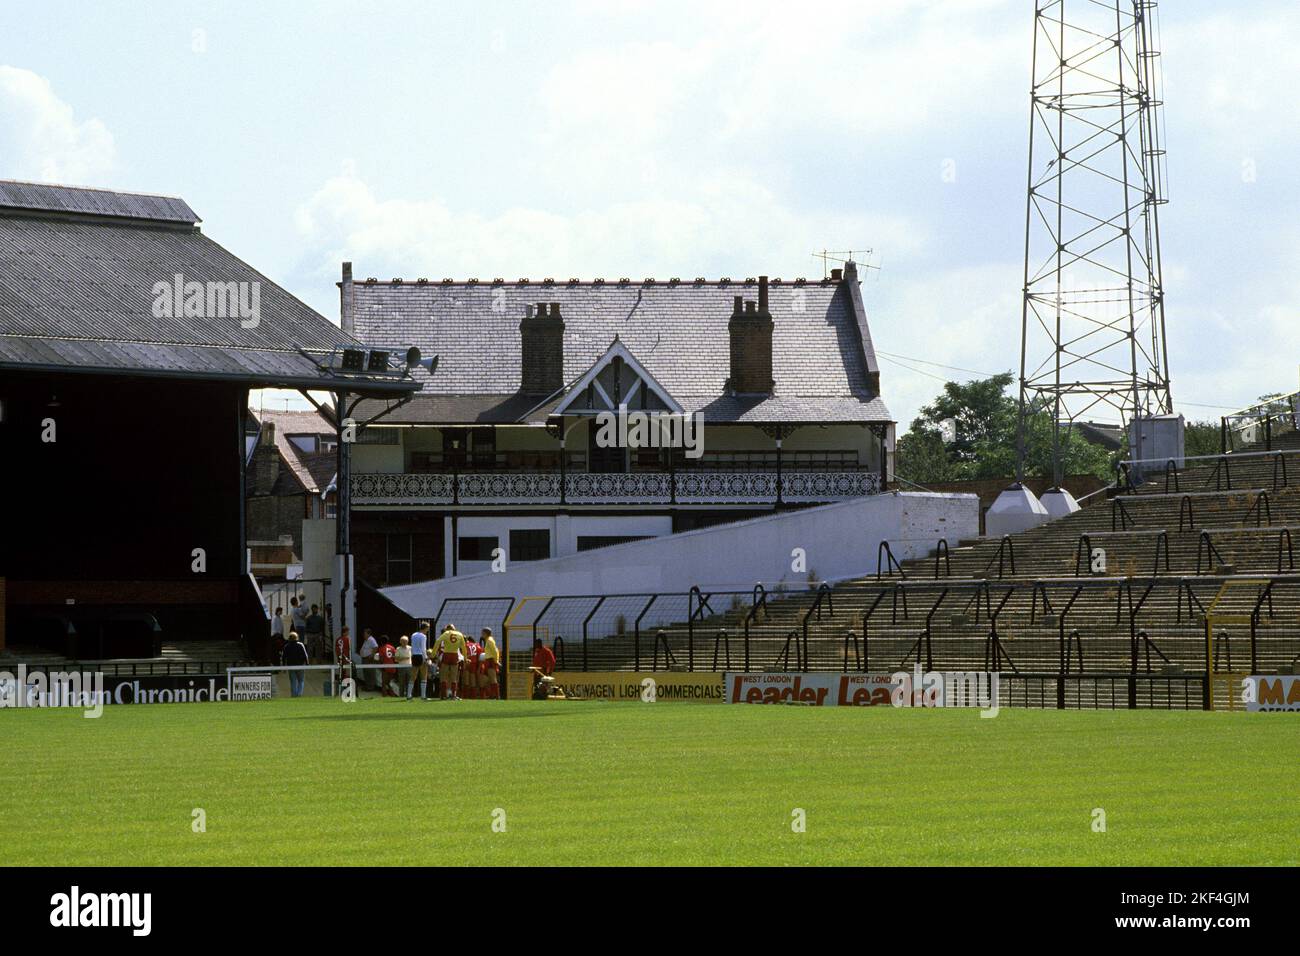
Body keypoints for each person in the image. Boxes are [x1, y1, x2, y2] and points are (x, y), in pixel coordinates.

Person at [433, 623, 467, 700]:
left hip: (446, 655)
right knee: (454, 676)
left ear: (447, 629)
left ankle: (443, 695)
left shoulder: (445, 634)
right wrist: (465, 658)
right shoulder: (459, 634)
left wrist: (433, 654)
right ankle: (453, 695)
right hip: (455, 655)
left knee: (443, 676)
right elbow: (463, 647)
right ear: (454, 629)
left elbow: (438, 641)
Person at [408, 621, 430, 700]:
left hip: (414, 656)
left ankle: (408, 695)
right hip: (420, 656)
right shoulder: (423, 636)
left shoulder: (413, 635)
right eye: (427, 628)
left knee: (413, 676)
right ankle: (423, 696)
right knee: (424, 676)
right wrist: (426, 658)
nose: (428, 630)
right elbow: (423, 648)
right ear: (425, 628)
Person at [282, 631, 308, 697]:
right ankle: (299, 694)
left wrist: (283, 667)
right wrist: (307, 664)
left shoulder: (286, 646)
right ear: (297, 638)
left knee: (293, 681)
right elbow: (305, 655)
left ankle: (293, 695)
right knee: (301, 681)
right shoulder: (301, 645)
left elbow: (283, 657)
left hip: (290, 666)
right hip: (300, 665)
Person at [480, 627, 501, 700]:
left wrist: (496, 661)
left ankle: (497, 696)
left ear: (486, 633)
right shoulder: (488, 640)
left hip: (490, 661)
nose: (481, 634)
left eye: (482, 633)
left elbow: (495, 651)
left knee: (493, 679)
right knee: (483, 680)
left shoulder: (489, 640)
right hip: (487, 661)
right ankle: (488, 696)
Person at [462, 632, 482, 700]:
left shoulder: (464, 645)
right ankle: (473, 696)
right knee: (473, 678)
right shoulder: (476, 645)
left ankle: (466, 696)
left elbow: (464, 654)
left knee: (466, 679)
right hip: (474, 663)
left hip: (467, 661)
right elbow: (480, 654)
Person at [335, 626, 352, 690]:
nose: (348, 633)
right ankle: (346, 689)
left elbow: (336, 650)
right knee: (347, 674)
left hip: (340, 659)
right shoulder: (347, 639)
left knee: (341, 673)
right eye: (348, 631)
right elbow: (349, 650)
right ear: (345, 632)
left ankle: (341, 688)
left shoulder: (337, 639)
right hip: (346, 659)